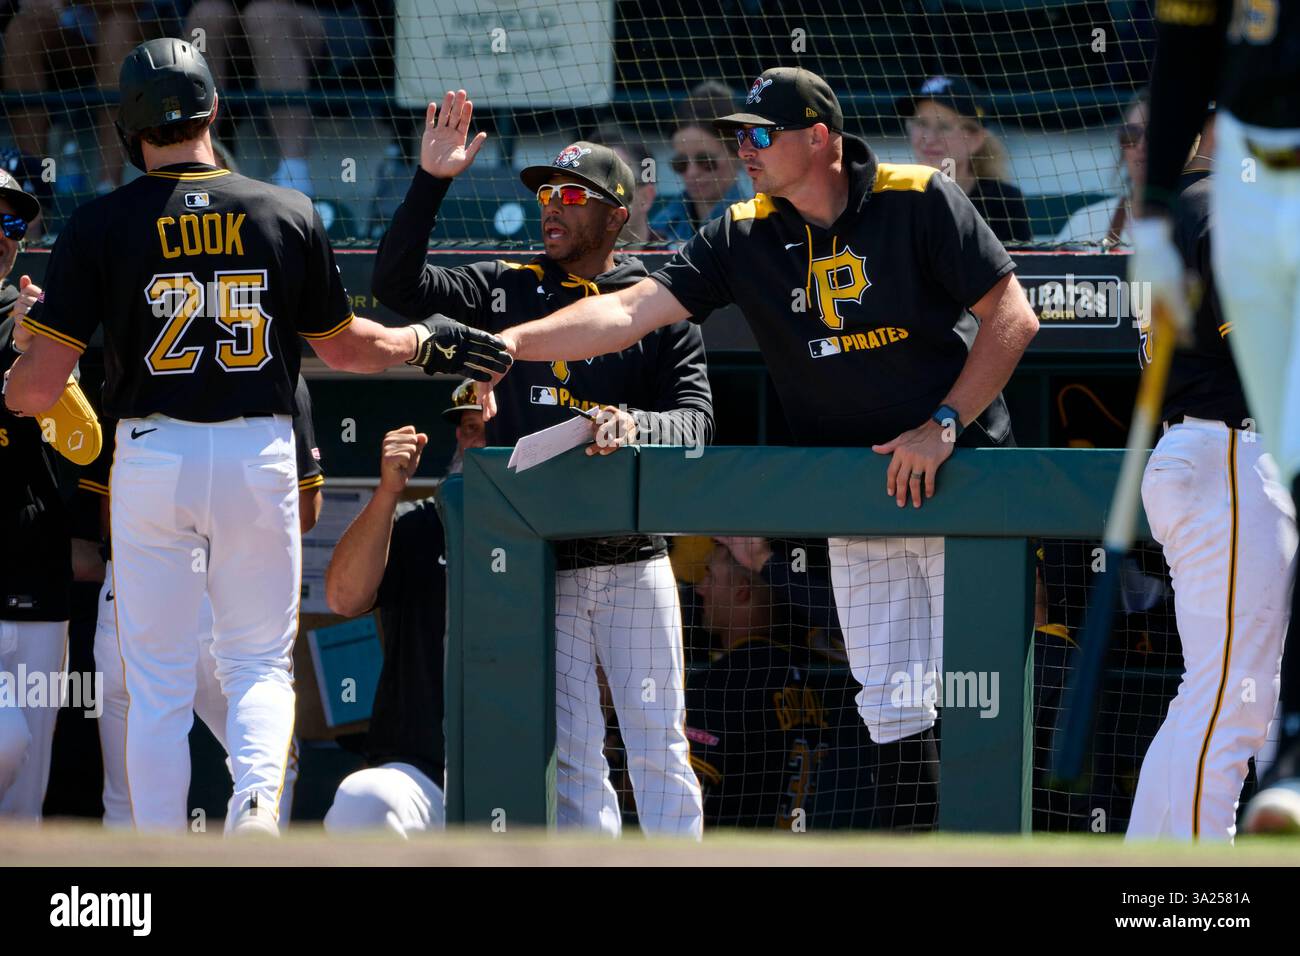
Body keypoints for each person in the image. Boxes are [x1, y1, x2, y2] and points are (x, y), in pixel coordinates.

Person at [484, 66, 1041, 829]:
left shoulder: (918, 197)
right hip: (863, 488)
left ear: (818, 137)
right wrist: (508, 343)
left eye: (757, 135)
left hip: (964, 478)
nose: (743, 149)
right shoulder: (743, 229)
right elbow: (628, 314)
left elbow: (1013, 318)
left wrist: (942, 424)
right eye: (737, 136)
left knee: (980, 693)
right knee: (889, 697)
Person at [2, 38, 510, 834]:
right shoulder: (285, 209)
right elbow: (344, 350)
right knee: (258, 667)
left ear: (130, 127)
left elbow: (33, 391)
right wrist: (423, 342)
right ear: (214, 108)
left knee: (159, 684)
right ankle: (255, 816)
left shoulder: (100, 222)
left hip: (152, 454)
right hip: (257, 449)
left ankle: (161, 850)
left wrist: (17, 359)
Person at [371, 89, 713, 838]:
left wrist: (633, 424)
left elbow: (697, 422)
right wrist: (431, 180)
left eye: (572, 196)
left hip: (632, 558)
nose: (551, 207)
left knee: (659, 746)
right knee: (577, 759)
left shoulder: (656, 306)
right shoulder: (504, 286)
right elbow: (394, 289)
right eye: (546, 194)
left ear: (617, 214)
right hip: (539, 565)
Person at [1132, 0, 1300, 839]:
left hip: (1206, 457)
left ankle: (1151, 867)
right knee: (1232, 706)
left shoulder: (1183, 209)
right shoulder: (1212, 205)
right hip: (1227, 457)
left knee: (1221, 697)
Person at [82, 373, 324, 829]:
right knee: (265, 751)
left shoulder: (128, 360)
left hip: (136, 591)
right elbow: (304, 512)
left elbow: (111, 516)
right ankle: (253, 829)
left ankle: (143, 880)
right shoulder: (278, 364)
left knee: (126, 794)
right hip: (227, 598)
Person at [322, 380, 484, 836]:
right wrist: (389, 491)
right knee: (364, 802)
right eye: (468, 428)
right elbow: (342, 596)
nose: (474, 440)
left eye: (487, 427)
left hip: (533, 776)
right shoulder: (420, 527)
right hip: (424, 773)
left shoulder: (562, 530)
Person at [0, 170, 73, 819]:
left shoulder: (35, 316)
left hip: (35, 577)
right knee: (4, 739)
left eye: (12, 224)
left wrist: (39, 352)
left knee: (28, 787)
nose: (2, 236)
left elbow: (83, 442)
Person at [1, 0, 142, 194]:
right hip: (67, 35)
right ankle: (34, 183)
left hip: (138, 31)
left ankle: (109, 186)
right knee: (21, 31)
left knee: (118, 24)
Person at [898, 75, 1031, 244]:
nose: (929, 138)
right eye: (921, 123)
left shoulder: (1003, 202)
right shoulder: (893, 196)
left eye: (945, 127)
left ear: (976, 139)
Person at [650, 80, 752, 242]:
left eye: (706, 161)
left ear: (737, 154)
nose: (692, 172)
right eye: (681, 163)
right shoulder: (658, 226)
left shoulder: (754, 226)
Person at [1055, 89, 1148, 247]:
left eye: (1155, 133)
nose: (1141, 145)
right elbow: (1062, 272)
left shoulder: (1198, 218)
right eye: (1130, 134)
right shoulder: (1086, 222)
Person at [590, 123, 663, 245]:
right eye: (589, 183)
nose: (598, 193)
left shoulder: (681, 259)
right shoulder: (559, 259)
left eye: (614, 182)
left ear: (646, 197)